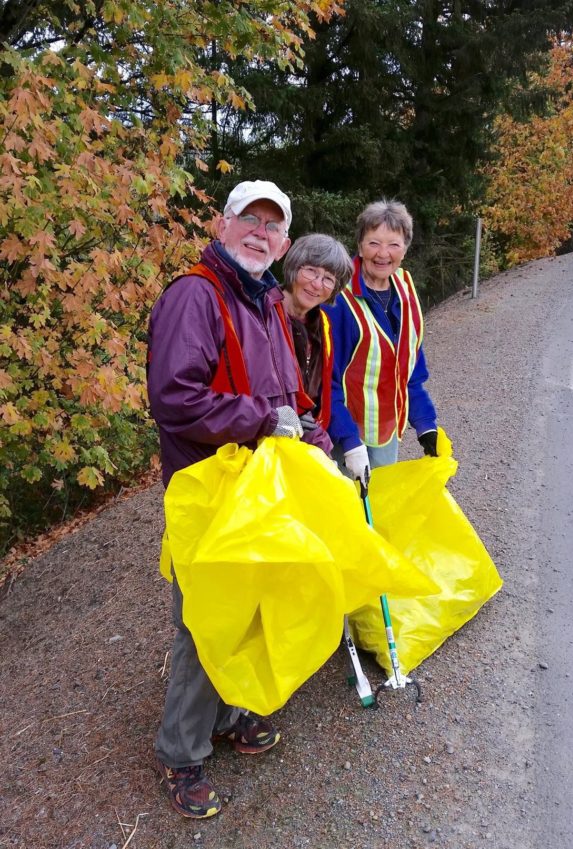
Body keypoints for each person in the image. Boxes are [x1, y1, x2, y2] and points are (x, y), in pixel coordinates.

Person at [147, 180, 332, 820]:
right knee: (204, 625)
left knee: (247, 610)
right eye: (248, 219)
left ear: (282, 244)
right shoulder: (195, 294)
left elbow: (288, 395)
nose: (260, 232)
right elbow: (176, 399)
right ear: (222, 226)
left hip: (258, 490)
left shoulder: (263, 302)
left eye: (272, 225)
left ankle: (225, 717)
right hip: (209, 490)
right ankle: (181, 751)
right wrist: (261, 420)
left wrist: (316, 435)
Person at [323, 199, 438, 485]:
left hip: (386, 433)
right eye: (374, 243)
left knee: (380, 510)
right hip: (342, 436)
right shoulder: (338, 299)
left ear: (405, 249)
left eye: (394, 245)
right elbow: (327, 381)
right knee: (345, 516)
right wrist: (349, 441)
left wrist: (425, 424)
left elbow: (411, 366)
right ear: (360, 245)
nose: (383, 254)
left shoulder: (405, 288)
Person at [281, 234, 353, 430]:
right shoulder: (265, 313)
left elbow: (326, 391)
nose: (317, 284)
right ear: (294, 267)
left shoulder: (323, 325)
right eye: (311, 271)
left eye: (328, 279)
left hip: (310, 438)